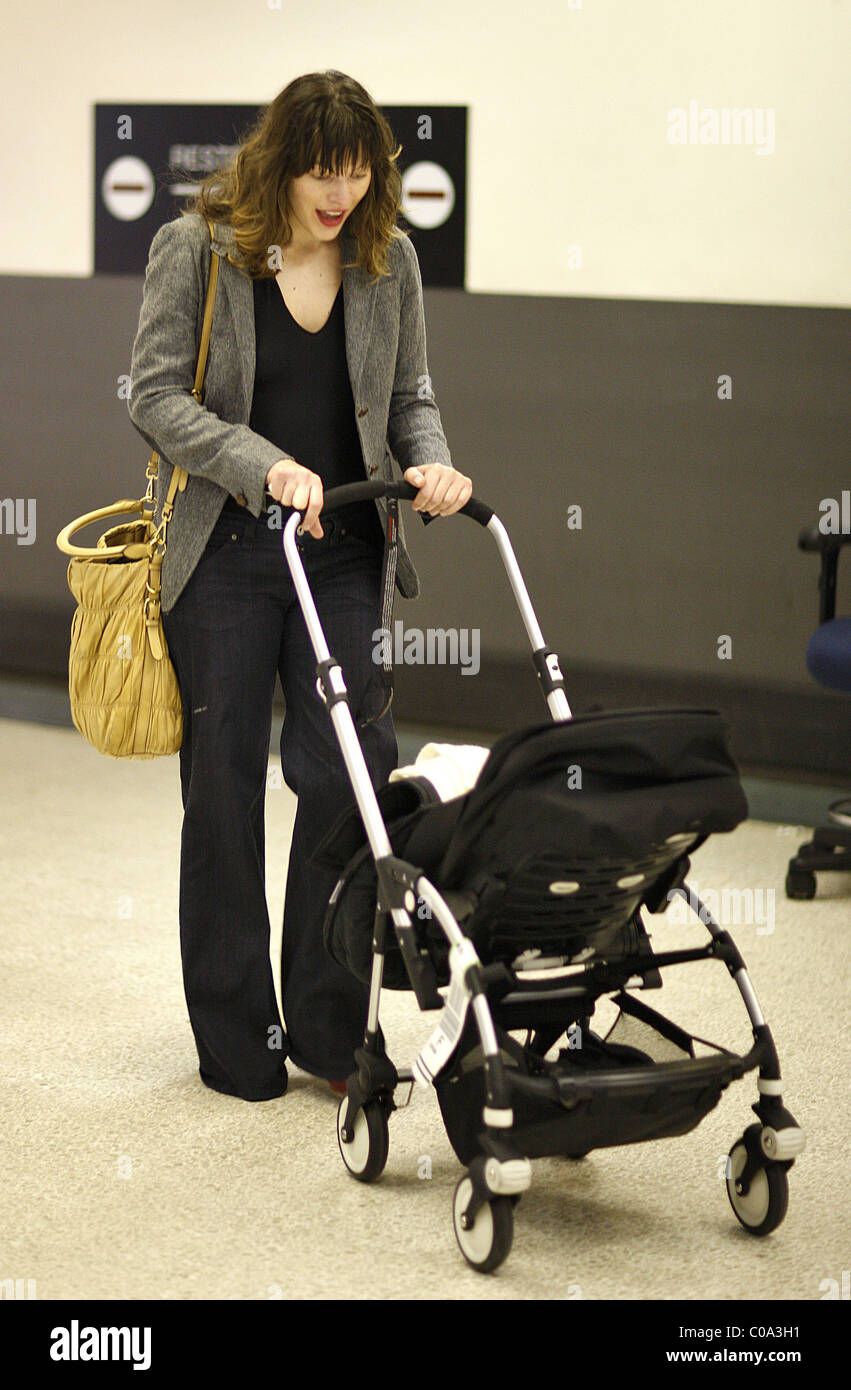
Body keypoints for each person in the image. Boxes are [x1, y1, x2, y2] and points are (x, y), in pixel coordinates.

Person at [127, 70, 472, 1101]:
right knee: (222, 791)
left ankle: (327, 1033)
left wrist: (436, 461)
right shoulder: (200, 247)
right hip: (227, 555)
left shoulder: (387, 258)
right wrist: (257, 462)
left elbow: (410, 396)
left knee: (342, 784)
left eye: (358, 170)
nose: (339, 193)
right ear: (280, 164)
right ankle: (236, 1041)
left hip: (343, 553)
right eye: (322, 172)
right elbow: (152, 397)